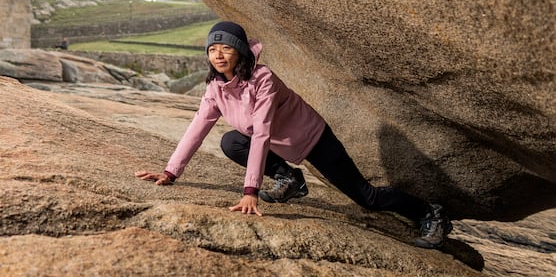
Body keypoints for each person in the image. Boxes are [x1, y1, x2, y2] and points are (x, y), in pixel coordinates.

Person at [135, 21, 453, 248]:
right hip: (277, 144)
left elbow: (261, 132)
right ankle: (291, 181)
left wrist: (250, 190)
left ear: (241, 52)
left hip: (312, 137)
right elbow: (197, 127)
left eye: (226, 48)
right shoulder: (215, 87)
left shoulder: (263, 79)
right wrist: (170, 171)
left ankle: (430, 212)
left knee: (366, 198)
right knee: (230, 141)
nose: (218, 55)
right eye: (212, 49)